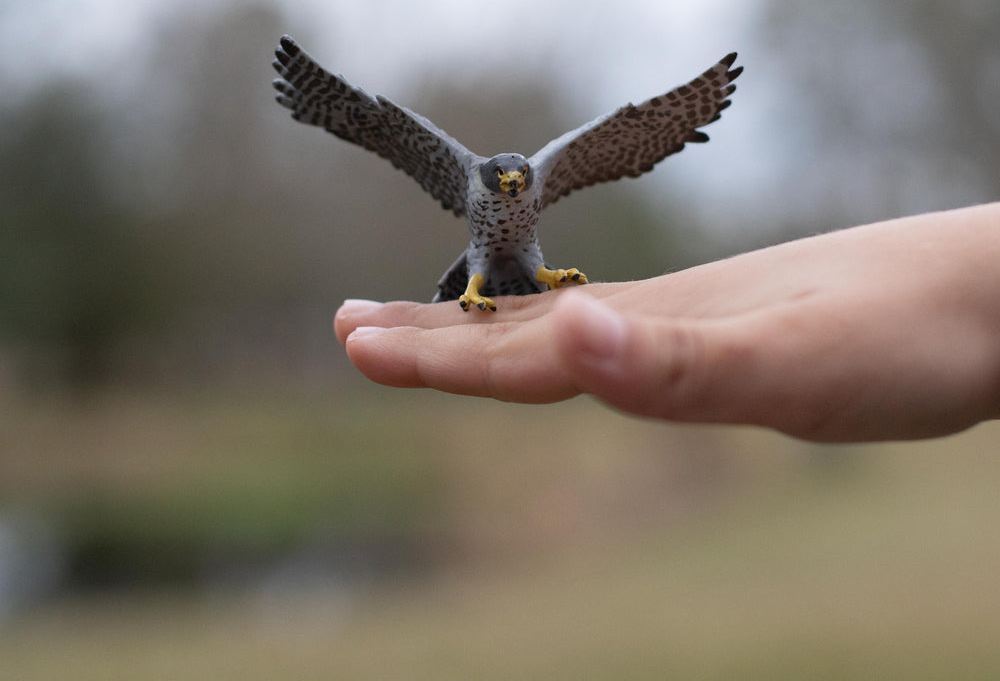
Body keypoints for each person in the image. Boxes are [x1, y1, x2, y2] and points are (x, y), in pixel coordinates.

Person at [334, 203, 1000, 443]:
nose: (514, 191)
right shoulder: (480, 204)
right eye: (503, 184)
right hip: (483, 278)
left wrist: (973, 282)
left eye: (520, 183)